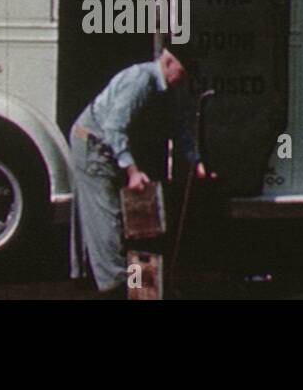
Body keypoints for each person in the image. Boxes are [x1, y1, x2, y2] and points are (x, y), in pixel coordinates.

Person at [68, 48, 216, 296]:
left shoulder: (169, 89)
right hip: (93, 143)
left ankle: (95, 277)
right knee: (107, 216)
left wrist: (197, 162)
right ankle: (114, 286)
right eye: (183, 71)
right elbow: (115, 128)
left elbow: (180, 128)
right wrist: (133, 171)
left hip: (107, 146)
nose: (185, 78)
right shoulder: (141, 80)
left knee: (107, 215)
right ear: (169, 61)